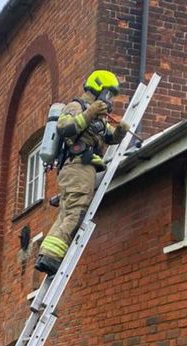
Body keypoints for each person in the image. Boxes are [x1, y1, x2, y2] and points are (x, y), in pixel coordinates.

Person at [35, 69, 129, 276]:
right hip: (77, 166)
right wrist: (89, 113)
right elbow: (64, 128)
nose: (110, 99)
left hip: (82, 168)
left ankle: (46, 256)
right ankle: (52, 258)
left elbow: (108, 137)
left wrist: (121, 132)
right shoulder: (76, 106)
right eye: (108, 93)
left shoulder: (99, 117)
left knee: (67, 213)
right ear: (98, 88)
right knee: (77, 210)